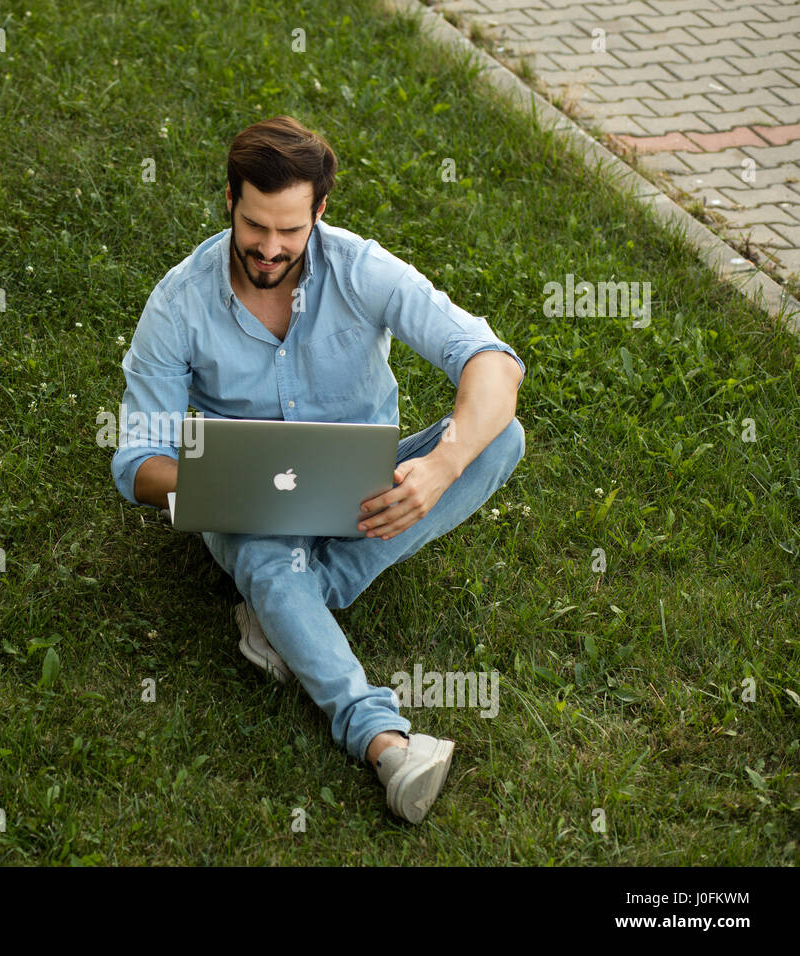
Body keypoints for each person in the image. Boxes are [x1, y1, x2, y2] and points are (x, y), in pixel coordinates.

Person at [110, 115, 526, 823]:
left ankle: (285, 610)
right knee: (268, 554)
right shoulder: (178, 302)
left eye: (290, 231)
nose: (269, 249)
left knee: (501, 437)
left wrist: (440, 468)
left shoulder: (362, 269)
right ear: (230, 202)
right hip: (249, 509)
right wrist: (223, 484)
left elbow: (492, 362)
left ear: (320, 213)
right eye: (254, 227)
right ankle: (386, 742)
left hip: (363, 489)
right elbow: (138, 463)